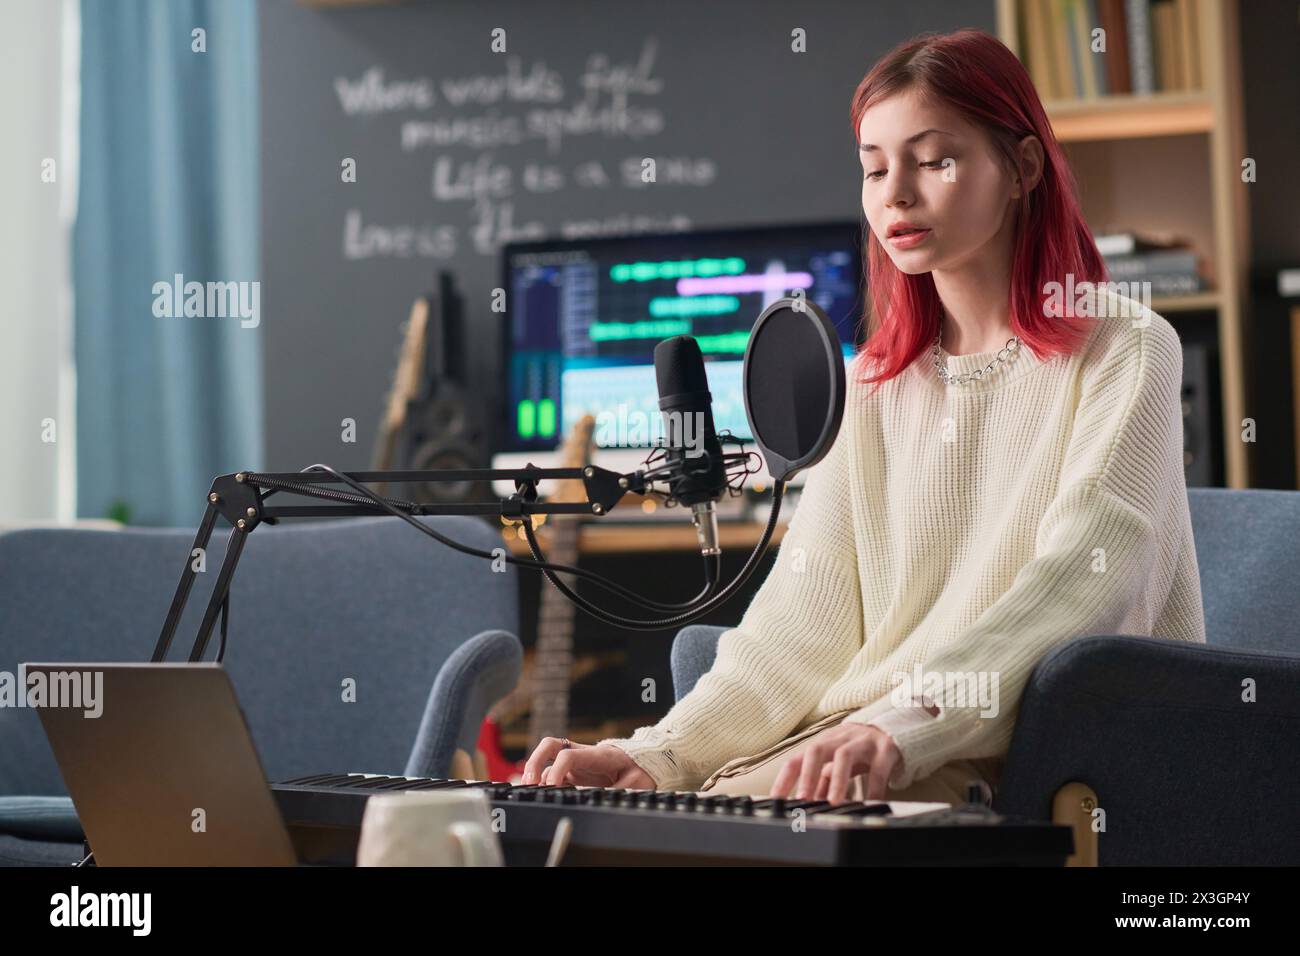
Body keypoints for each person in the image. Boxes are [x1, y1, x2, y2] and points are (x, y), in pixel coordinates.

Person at [520, 28, 1206, 807]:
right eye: (874, 169)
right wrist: (655, 756)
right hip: (865, 749)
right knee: (635, 822)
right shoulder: (874, 383)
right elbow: (795, 631)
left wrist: (905, 725)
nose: (896, 195)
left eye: (932, 160)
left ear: (1022, 167)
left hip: (1033, 753)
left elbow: (1082, 581)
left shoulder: (1125, 347)